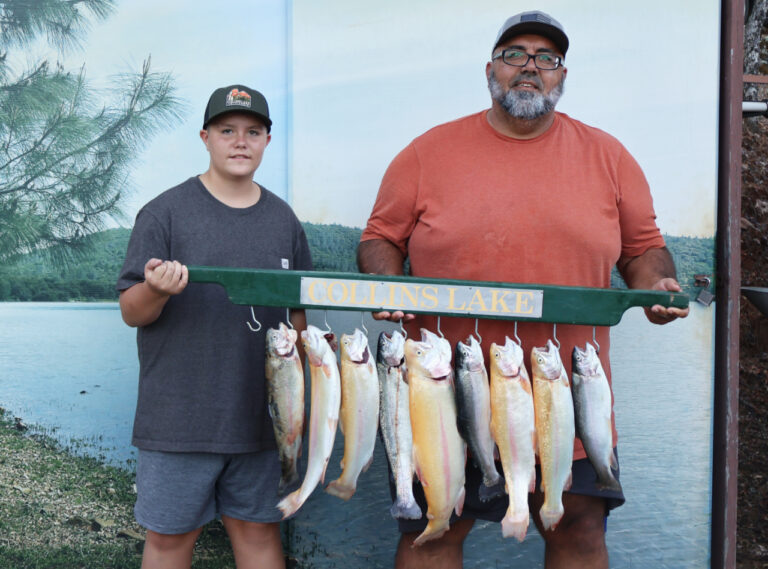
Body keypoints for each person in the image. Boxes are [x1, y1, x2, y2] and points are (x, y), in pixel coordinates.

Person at [357, 11, 689, 569]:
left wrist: (655, 285)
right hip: (442, 387)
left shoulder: (609, 156)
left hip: (569, 388)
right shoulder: (427, 152)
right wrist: (387, 284)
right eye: (515, 55)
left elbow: (642, 248)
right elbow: (379, 239)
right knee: (435, 530)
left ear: (561, 76)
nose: (530, 68)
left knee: (579, 529)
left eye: (546, 59)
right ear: (491, 70)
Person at [117, 84, 313, 569]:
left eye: (252, 131)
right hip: (178, 422)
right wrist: (157, 290)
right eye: (227, 131)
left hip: (262, 421)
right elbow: (131, 311)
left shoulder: (283, 220)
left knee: (259, 534)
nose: (240, 141)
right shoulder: (164, 212)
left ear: (269, 140)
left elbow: (298, 314)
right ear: (205, 137)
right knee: (168, 541)